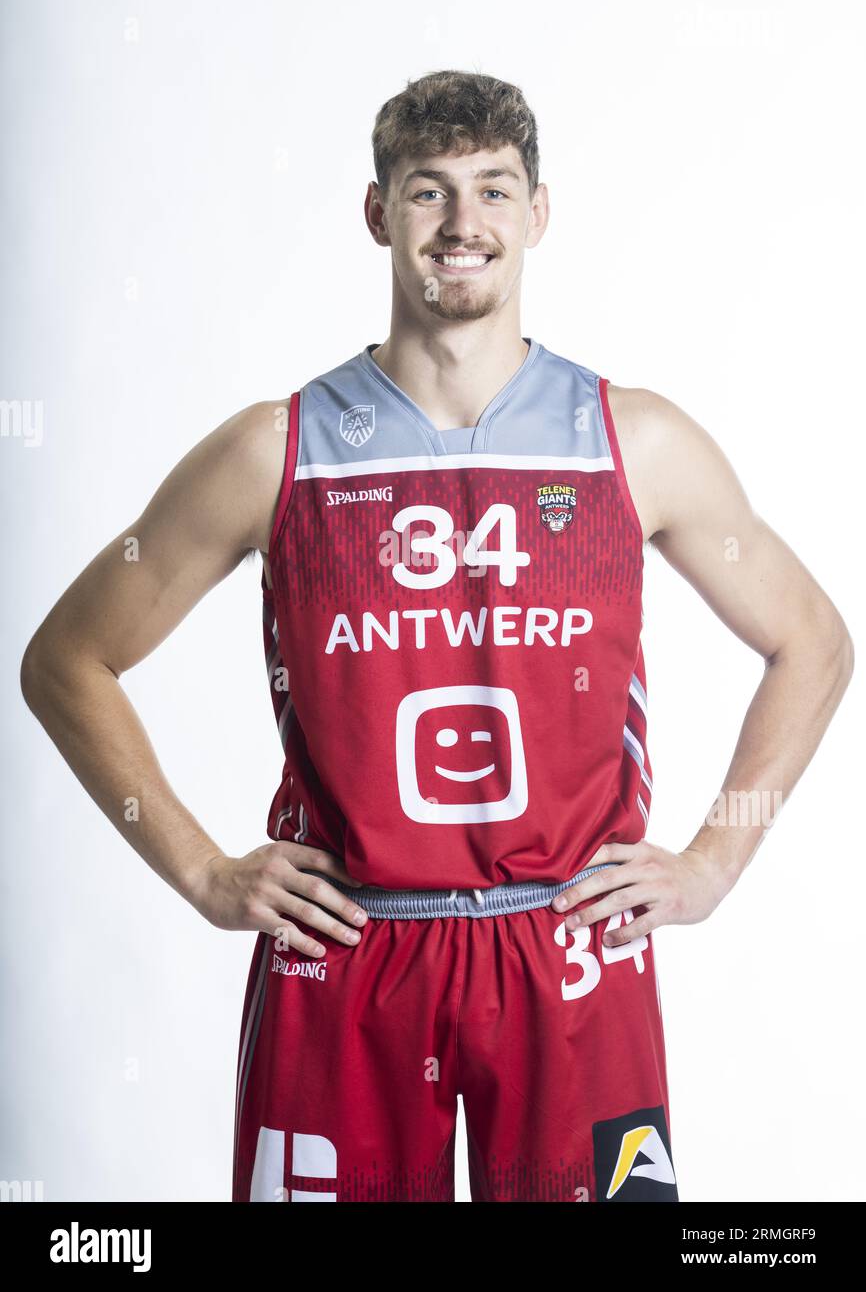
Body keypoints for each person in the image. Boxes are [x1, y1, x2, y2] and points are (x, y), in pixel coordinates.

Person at [20, 70, 854, 1204]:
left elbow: (810, 639)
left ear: (536, 214)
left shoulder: (631, 439)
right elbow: (67, 658)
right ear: (378, 216)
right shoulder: (280, 448)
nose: (462, 226)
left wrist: (714, 859)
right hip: (350, 952)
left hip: (564, 945)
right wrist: (203, 872)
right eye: (427, 193)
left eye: (493, 192)